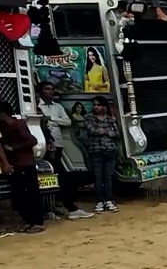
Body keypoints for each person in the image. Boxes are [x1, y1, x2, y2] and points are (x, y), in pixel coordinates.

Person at [35, 81, 93, 219]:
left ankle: (57, 207)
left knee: (56, 176)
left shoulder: (57, 106)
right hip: (45, 145)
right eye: (47, 89)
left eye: (52, 89)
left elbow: (67, 122)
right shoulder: (37, 107)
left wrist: (52, 120)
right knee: (57, 176)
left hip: (58, 144)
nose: (50, 91)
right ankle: (67, 207)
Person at [0, 100, 46, 233]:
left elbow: (32, 140)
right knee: (19, 195)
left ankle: (37, 222)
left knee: (31, 193)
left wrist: (13, 148)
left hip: (25, 163)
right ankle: (28, 220)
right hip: (16, 164)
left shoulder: (17, 125)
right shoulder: (5, 126)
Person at [83, 96, 121, 213]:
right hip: (96, 151)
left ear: (104, 106)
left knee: (108, 177)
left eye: (98, 105)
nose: (96, 107)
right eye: (94, 105)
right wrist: (107, 130)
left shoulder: (110, 119)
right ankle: (100, 201)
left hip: (109, 150)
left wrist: (104, 130)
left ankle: (109, 200)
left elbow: (116, 133)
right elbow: (93, 131)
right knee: (98, 177)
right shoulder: (88, 117)